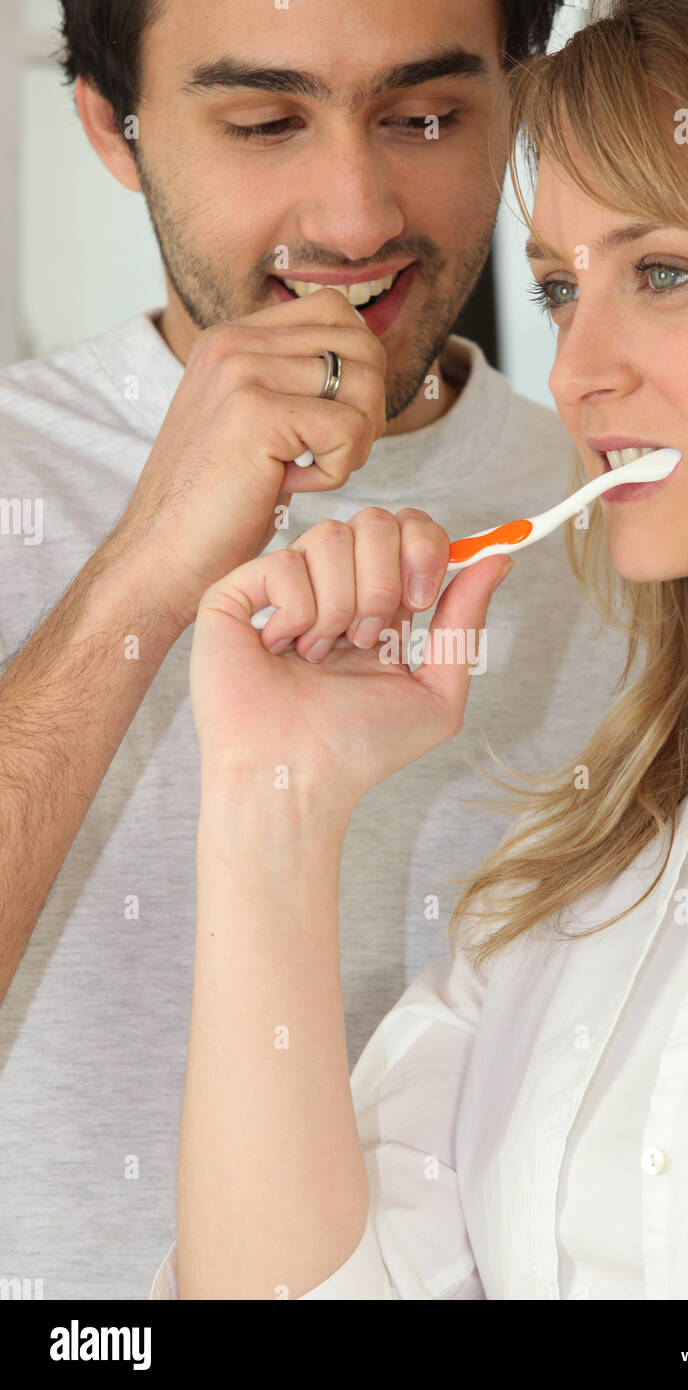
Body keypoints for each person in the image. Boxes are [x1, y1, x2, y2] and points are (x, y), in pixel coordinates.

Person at [151, 0, 688, 1300]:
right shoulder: (576, 868)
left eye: (659, 272)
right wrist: (274, 804)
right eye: (556, 289)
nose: (577, 368)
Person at [0, 0, 633, 1300]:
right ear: (112, 131)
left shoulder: (640, 512)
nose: (355, 219)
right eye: (263, 121)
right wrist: (142, 570)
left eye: (425, 116)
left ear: (514, 103)